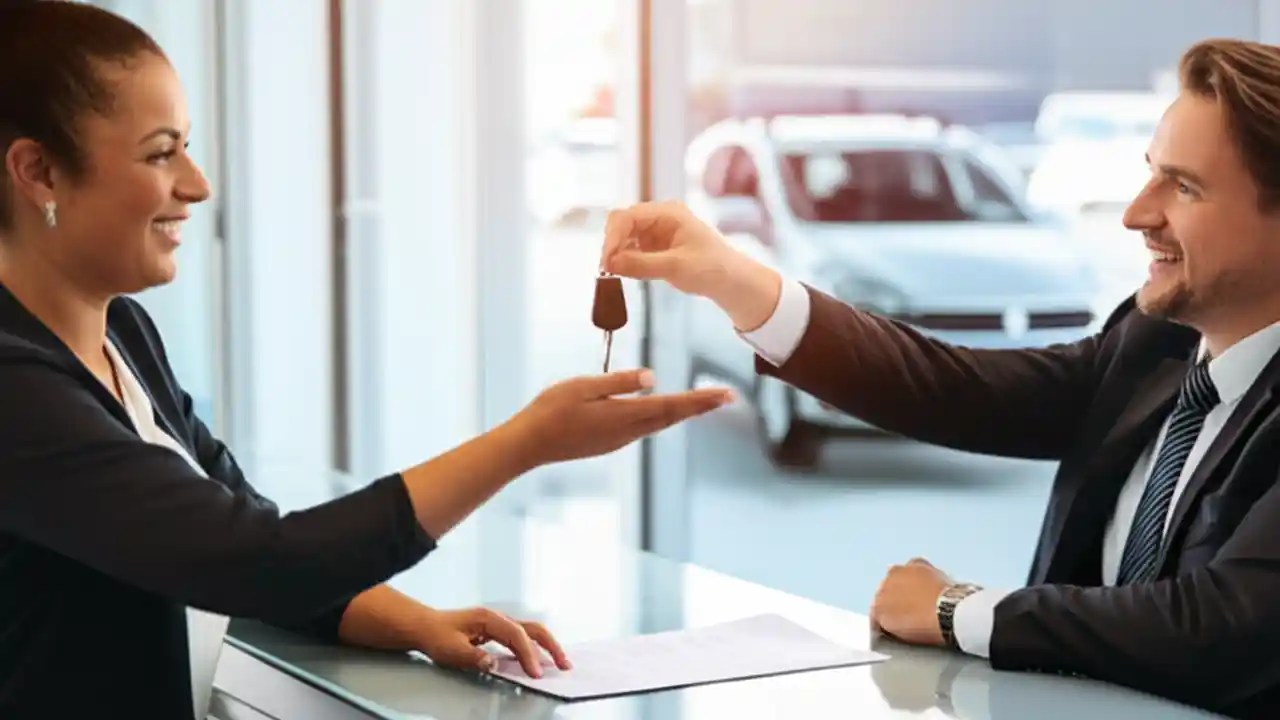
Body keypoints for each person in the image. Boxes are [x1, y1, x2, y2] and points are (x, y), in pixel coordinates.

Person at [0, 2, 733, 718]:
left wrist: (415, 622)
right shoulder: (15, 389)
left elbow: (237, 529)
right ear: (39, 172)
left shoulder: (124, 332)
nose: (197, 184)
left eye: (187, 146)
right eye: (161, 153)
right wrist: (527, 441)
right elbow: (253, 562)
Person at [602, 38, 1280, 719]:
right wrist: (734, 280)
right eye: (1151, 173)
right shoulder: (1154, 343)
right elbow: (956, 388)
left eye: (1184, 187)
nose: (1136, 213)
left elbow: (1217, 629)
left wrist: (958, 610)